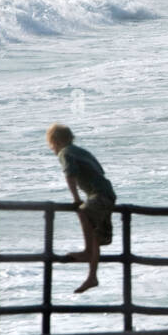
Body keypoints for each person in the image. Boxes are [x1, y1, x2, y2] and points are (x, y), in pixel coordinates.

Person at [46, 124, 115, 294]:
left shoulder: (65, 152)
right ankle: (92, 277)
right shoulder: (80, 151)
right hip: (107, 194)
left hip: (99, 195)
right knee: (96, 237)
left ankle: (87, 252)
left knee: (83, 211)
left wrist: (76, 199)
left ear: (55, 141)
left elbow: (70, 174)